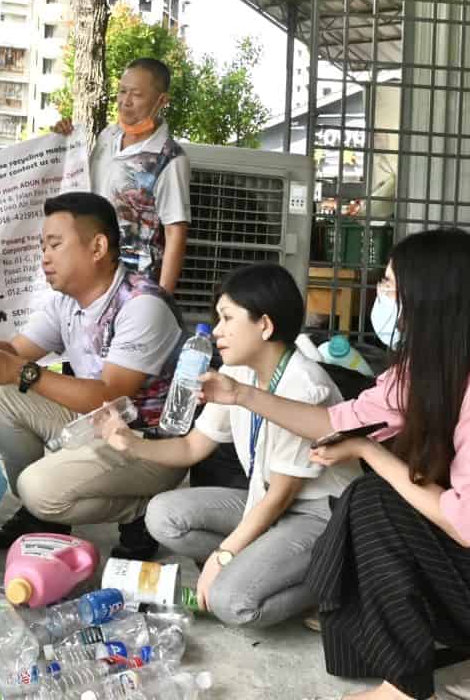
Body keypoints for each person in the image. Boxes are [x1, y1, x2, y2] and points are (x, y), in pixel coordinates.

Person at [199, 228, 470, 700]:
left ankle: (405, 686)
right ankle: (463, 653)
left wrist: (369, 452)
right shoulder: (429, 369)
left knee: (374, 501)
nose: (379, 297)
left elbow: (467, 525)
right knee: (369, 507)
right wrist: (240, 394)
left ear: (428, 296)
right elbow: (333, 420)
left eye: (388, 285)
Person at [100, 262, 361, 628]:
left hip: (317, 513)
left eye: (227, 319)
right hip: (264, 497)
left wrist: (223, 557)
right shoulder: (237, 374)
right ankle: (265, 568)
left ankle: (335, 585)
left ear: (265, 326)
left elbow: (280, 497)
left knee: (231, 602)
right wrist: (131, 443)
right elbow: (192, 447)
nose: (217, 332)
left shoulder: (304, 386)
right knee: (163, 515)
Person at [0, 191, 184, 560]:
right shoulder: (66, 301)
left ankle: (141, 509)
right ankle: (44, 516)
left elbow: (112, 394)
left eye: (55, 244)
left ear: (97, 247)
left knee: (37, 488)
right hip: (96, 425)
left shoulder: (142, 305)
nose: (44, 257)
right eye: (42, 246)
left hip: (149, 444)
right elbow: (16, 353)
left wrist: (25, 372)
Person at [53, 58, 190, 295]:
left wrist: (161, 301)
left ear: (161, 101)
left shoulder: (169, 159)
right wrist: (63, 141)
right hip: (89, 276)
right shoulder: (108, 136)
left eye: (136, 94)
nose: (125, 102)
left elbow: (175, 233)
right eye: (122, 91)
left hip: (133, 287)